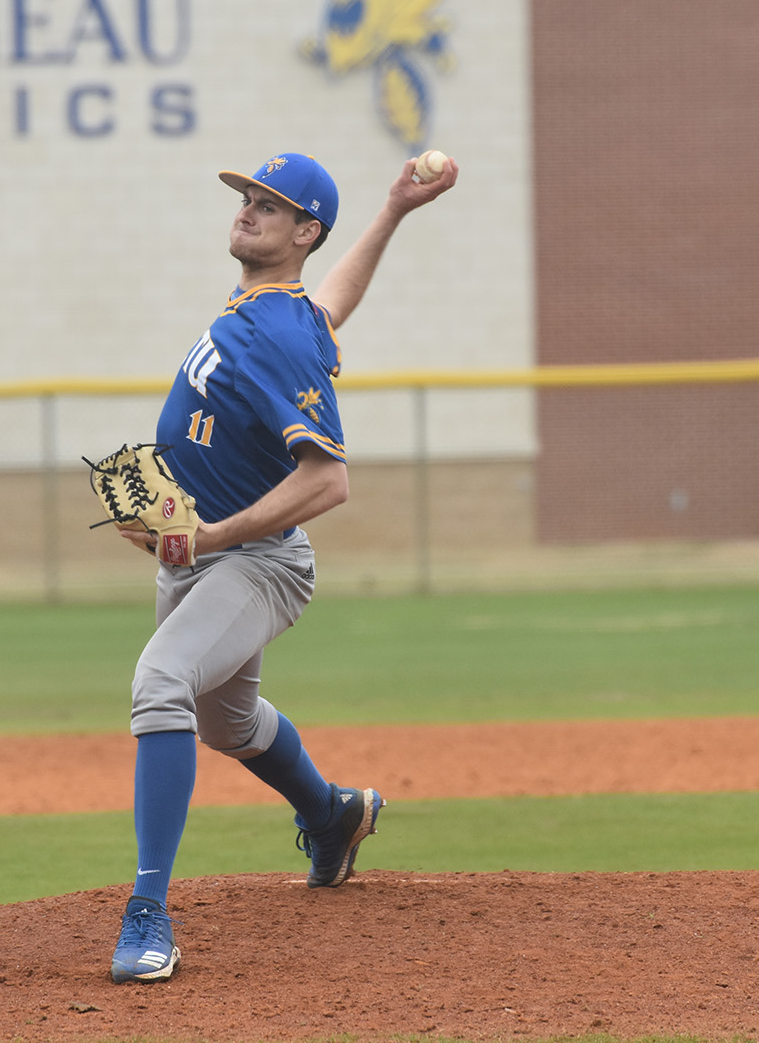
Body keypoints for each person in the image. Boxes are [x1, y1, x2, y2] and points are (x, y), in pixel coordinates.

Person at [106, 151, 457, 984]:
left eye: (271, 204)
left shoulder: (275, 332)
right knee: (226, 724)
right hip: (205, 553)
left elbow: (327, 480)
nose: (248, 209)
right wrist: (395, 209)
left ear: (305, 230)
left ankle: (147, 913)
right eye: (247, 197)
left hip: (254, 563)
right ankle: (333, 815)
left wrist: (211, 536)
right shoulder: (274, 307)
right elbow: (328, 306)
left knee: (160, 685)